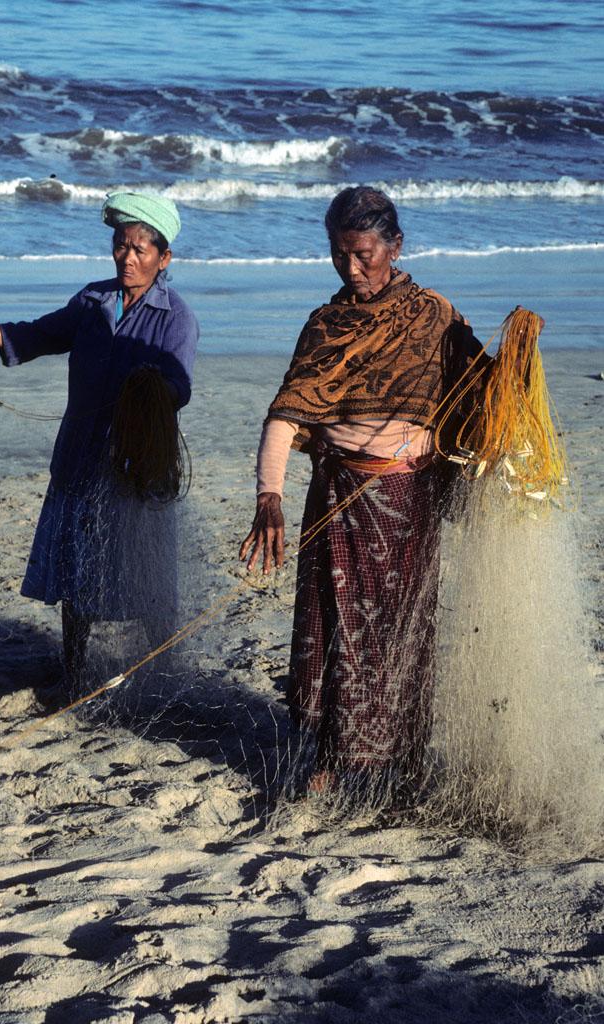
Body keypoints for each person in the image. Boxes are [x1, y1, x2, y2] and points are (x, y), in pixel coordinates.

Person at [240, 185, 493, 804]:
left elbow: (480, 394)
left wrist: (512, 369)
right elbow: (287, 414)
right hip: (334, 496)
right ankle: (329, 759)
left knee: (399, 631)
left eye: (363, 254)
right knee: (334, 626)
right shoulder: (325, 326)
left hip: (406, 500)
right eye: (339, 255)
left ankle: (399, 763)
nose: (352, 269)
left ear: (395, 246)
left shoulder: (436, 317)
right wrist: (268, 496)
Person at [0, 191, 199, 691]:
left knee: (145, 575)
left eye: (142, 249)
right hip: (79, 455)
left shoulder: (176, 318)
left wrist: (150, 389)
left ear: (164, 259)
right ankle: (76, 671)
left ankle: (162, 668)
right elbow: (36, 335)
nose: (128, 257)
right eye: (121, 245)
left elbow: (179, 386)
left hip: (135, 464)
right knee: (78, 569)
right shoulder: (92, 301)